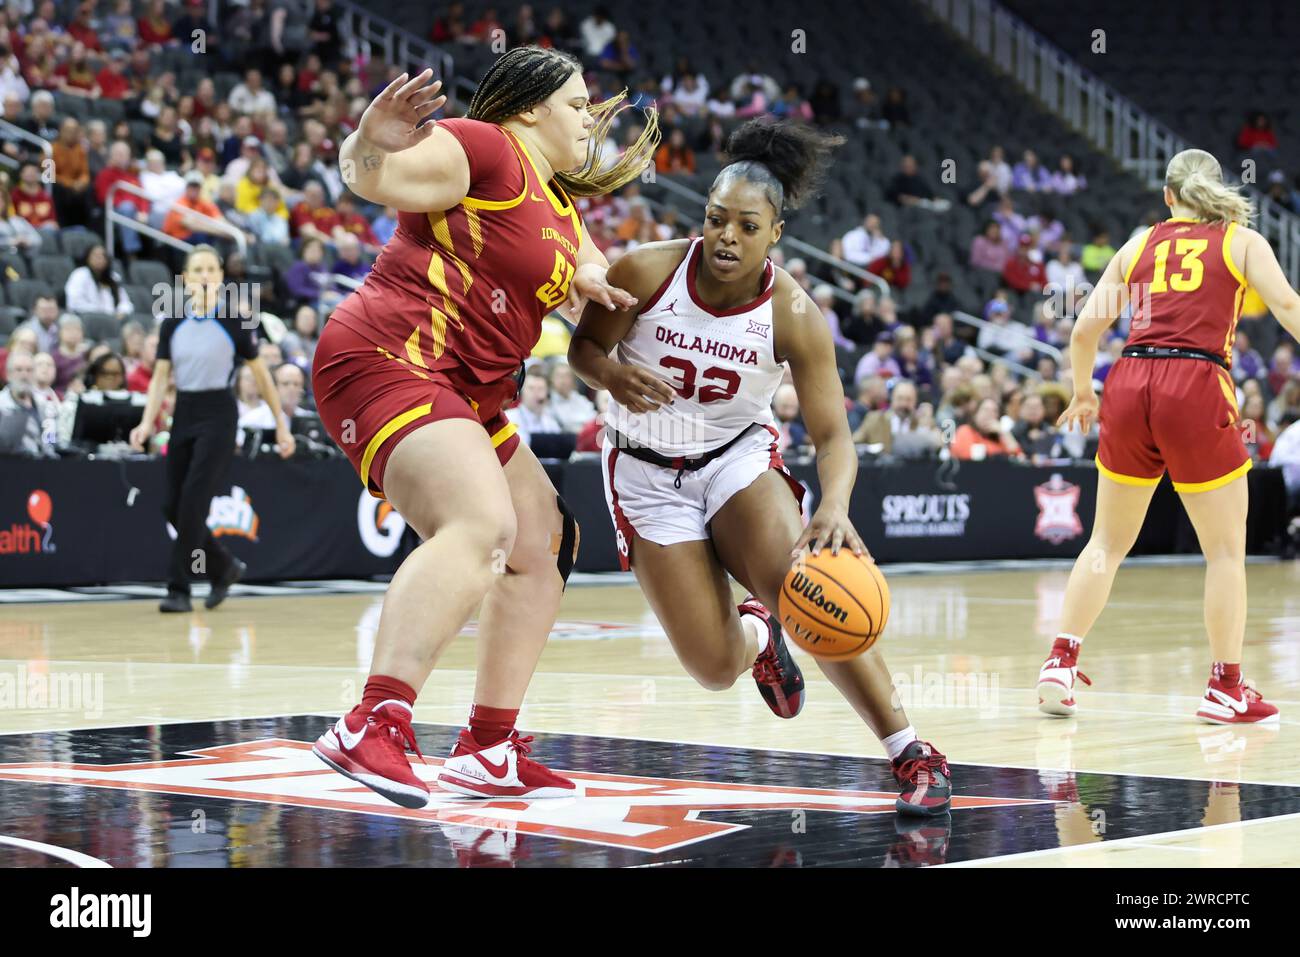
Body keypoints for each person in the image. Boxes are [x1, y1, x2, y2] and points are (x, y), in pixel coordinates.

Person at [568, 118, 952, 816]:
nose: (727, 237)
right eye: (717, 220)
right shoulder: (645, 270)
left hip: (734, 457)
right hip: (645, 472)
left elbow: (834, 436)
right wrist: (609, 378)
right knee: (714, 666)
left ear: (775, 234)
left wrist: (834, 505)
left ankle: (912, 752)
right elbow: (583, 349)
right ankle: (756, 636)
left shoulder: (795, 313)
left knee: (809, 592)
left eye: (747, 226)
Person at [309, 47, 660, 808]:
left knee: (545, 540)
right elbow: (371, 175)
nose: (587, 120)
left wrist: (602, 289)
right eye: (575, 104)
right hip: (386, 356)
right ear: (531, 108)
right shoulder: (485, 147)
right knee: (480, 522)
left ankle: (488, 747)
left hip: (465, 391)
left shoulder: (562, 209)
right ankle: (373, 720)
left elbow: (589, 270)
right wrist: (368, 140)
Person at [1042, 148, 1300, 724]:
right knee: (1227, 552)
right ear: (1215, 191)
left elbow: (1086, 329)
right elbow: (1286, 305)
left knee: (1106, 543)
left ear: (1167, 196)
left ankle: (1060, 660)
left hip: (1130, 379)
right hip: (1197, 379)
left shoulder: (1138, 243)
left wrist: (1084, 393)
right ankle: (1226, 686)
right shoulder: (1241, 241)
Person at [130, 246, 294, 614]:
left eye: (211, 270)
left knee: (192, 502)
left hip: (220, 415)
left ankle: (179, 588)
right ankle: (222, 566)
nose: (205, 276)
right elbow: (159, 379)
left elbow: (262, 377)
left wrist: (281, 424)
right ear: (185, 279)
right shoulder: (172, 322)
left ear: (220, 278)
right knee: (172, 505)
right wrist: (145, 422)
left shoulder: (236, 320)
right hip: (184, 412)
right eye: (197, 270)